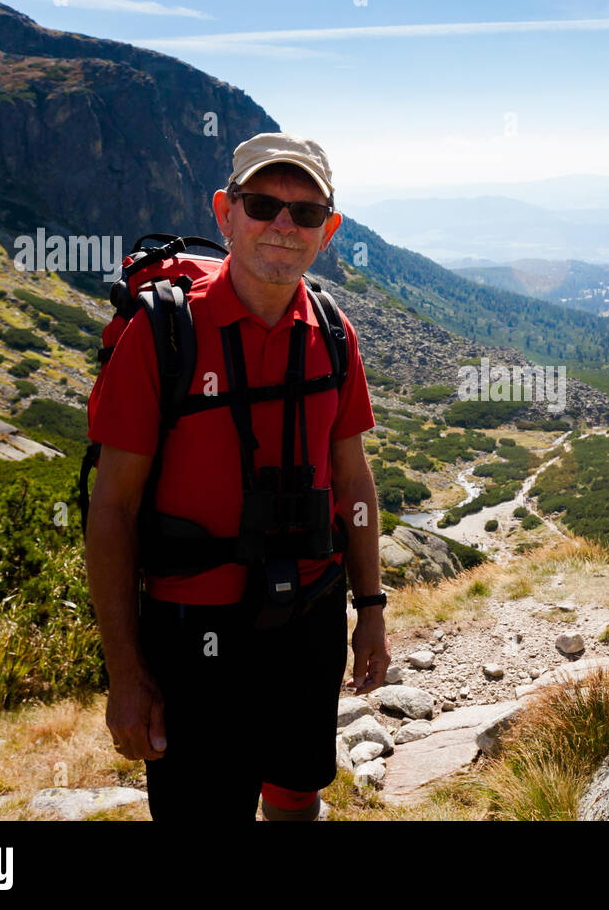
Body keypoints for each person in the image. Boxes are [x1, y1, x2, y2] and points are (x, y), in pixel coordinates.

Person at [84, 132, 390, 821]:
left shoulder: (335, 332)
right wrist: (126, 674)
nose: (283, 225)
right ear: (225, 213)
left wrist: (369, 611)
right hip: (195, 631)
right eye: (262, 205)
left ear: (328, 231)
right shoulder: (163, 334)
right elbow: (112, 510)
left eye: (305, 213)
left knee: (296, 789)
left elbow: (354, 486)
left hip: (310, 614)